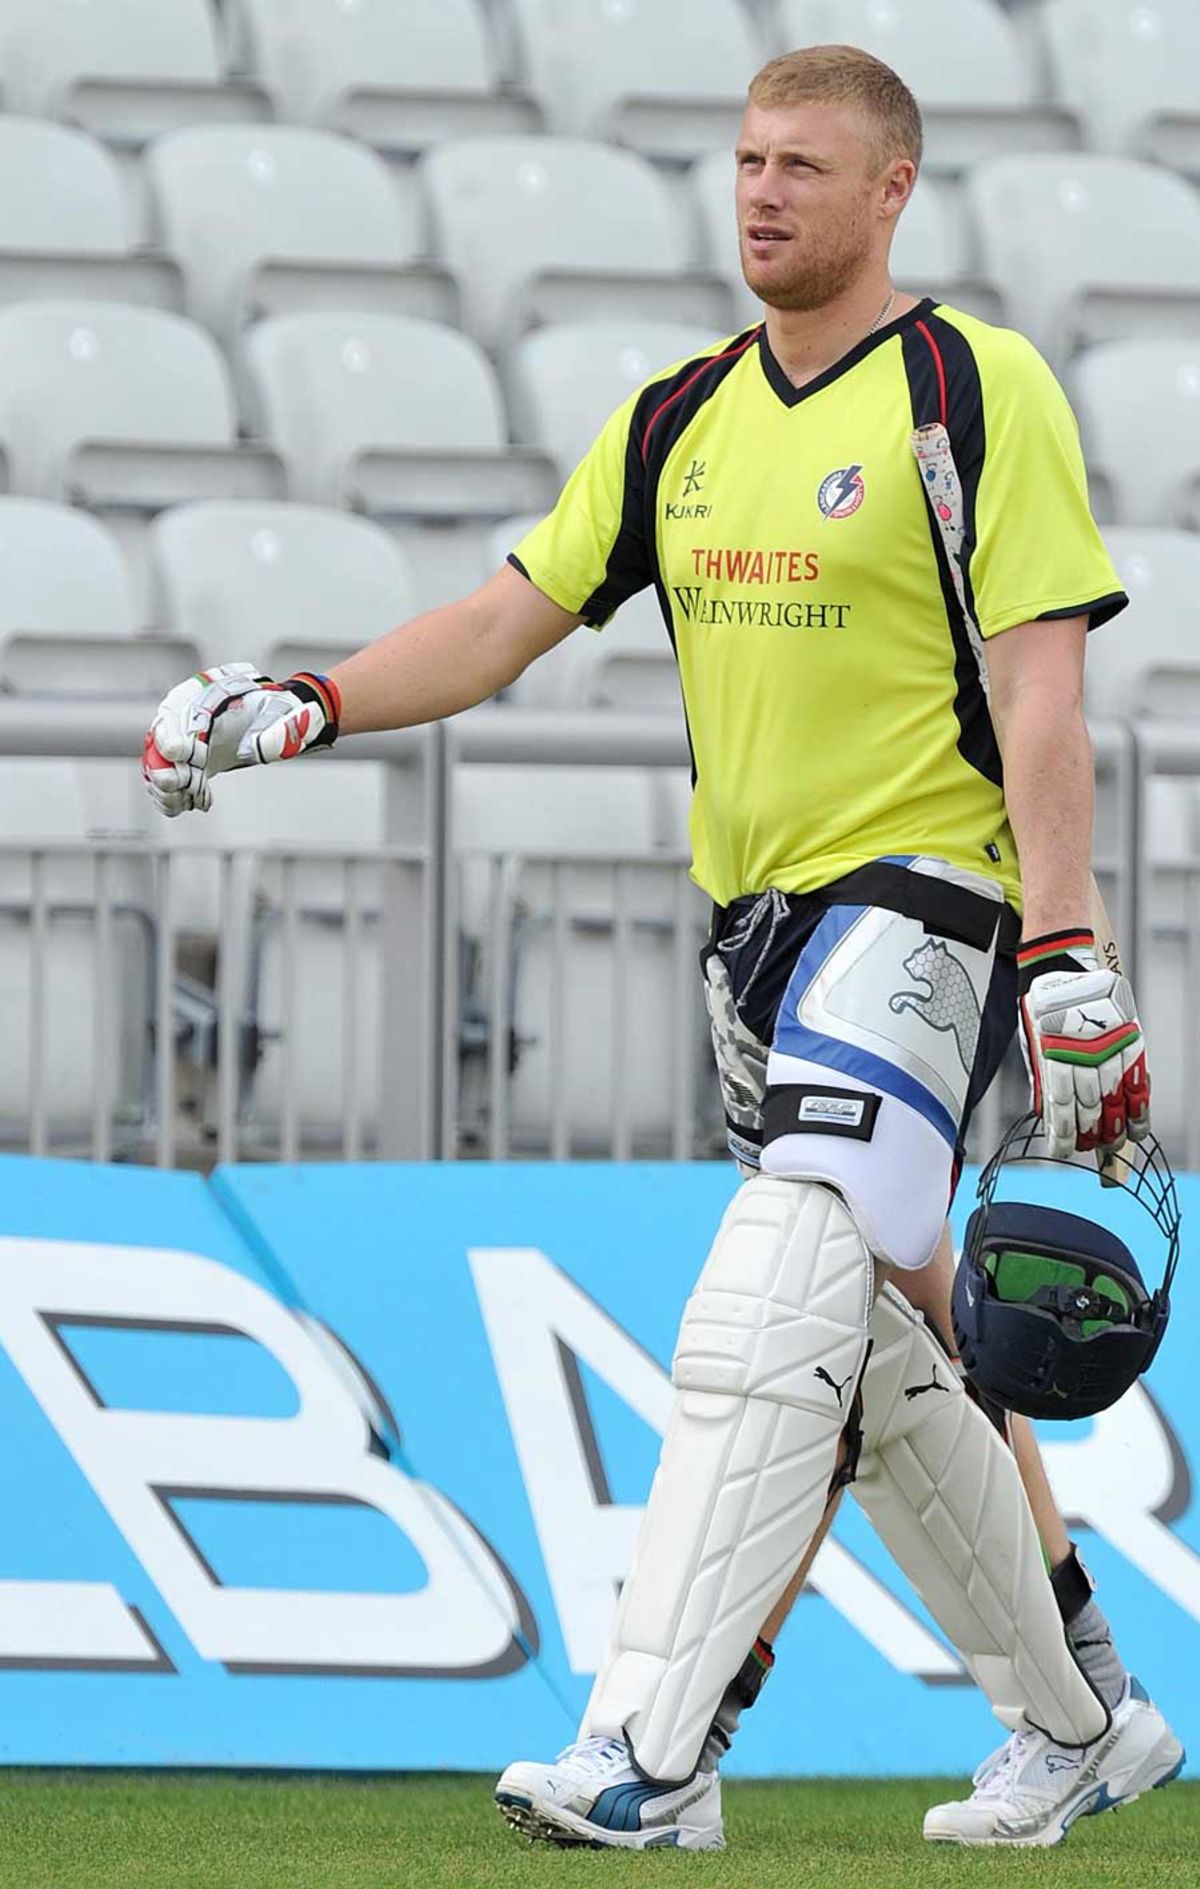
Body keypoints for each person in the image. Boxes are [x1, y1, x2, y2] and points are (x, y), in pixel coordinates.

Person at [141, 44, 1183, 1851]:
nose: (763, 191)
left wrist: (1067, 954)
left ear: (890, 193)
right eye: (747, 159)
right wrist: (303, 700)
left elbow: (1042, 692)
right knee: (877, 1354)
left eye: (804, 165)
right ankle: (1085, 1715)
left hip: (928, 900)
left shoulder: (967, 385)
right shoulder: (676, 415)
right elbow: (496, 623)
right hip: (756, 946)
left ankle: (650, 1748)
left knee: (769, 1303)